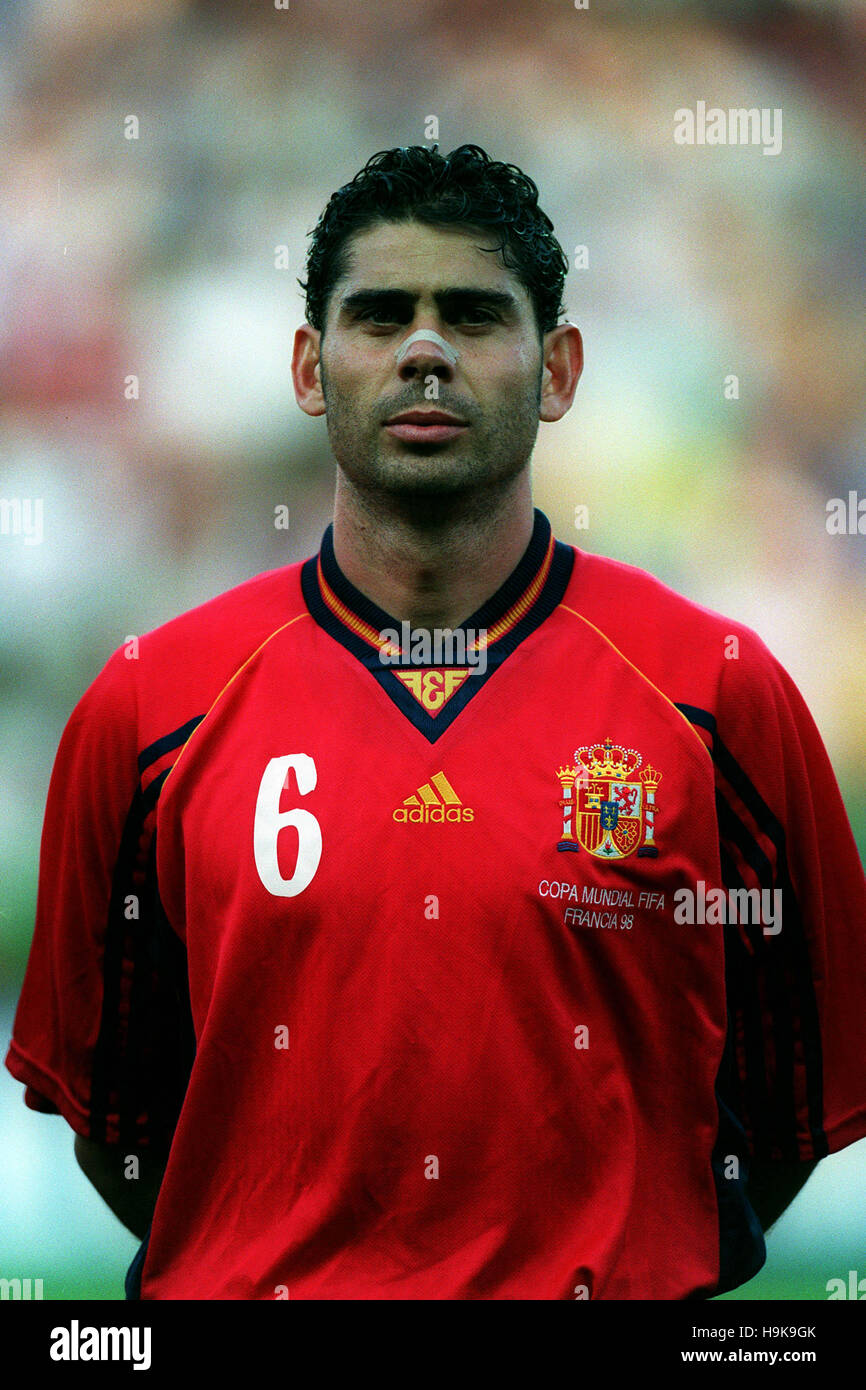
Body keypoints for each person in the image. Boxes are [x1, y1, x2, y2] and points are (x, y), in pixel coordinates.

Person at [6, 144, 866, 1301]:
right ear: (310, 367)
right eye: (379, 317)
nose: (422, 350)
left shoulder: (719, 694)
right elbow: (117, 1126)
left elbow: (786, 1112)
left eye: (469, 315)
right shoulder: (149, 704)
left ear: (556, 369)